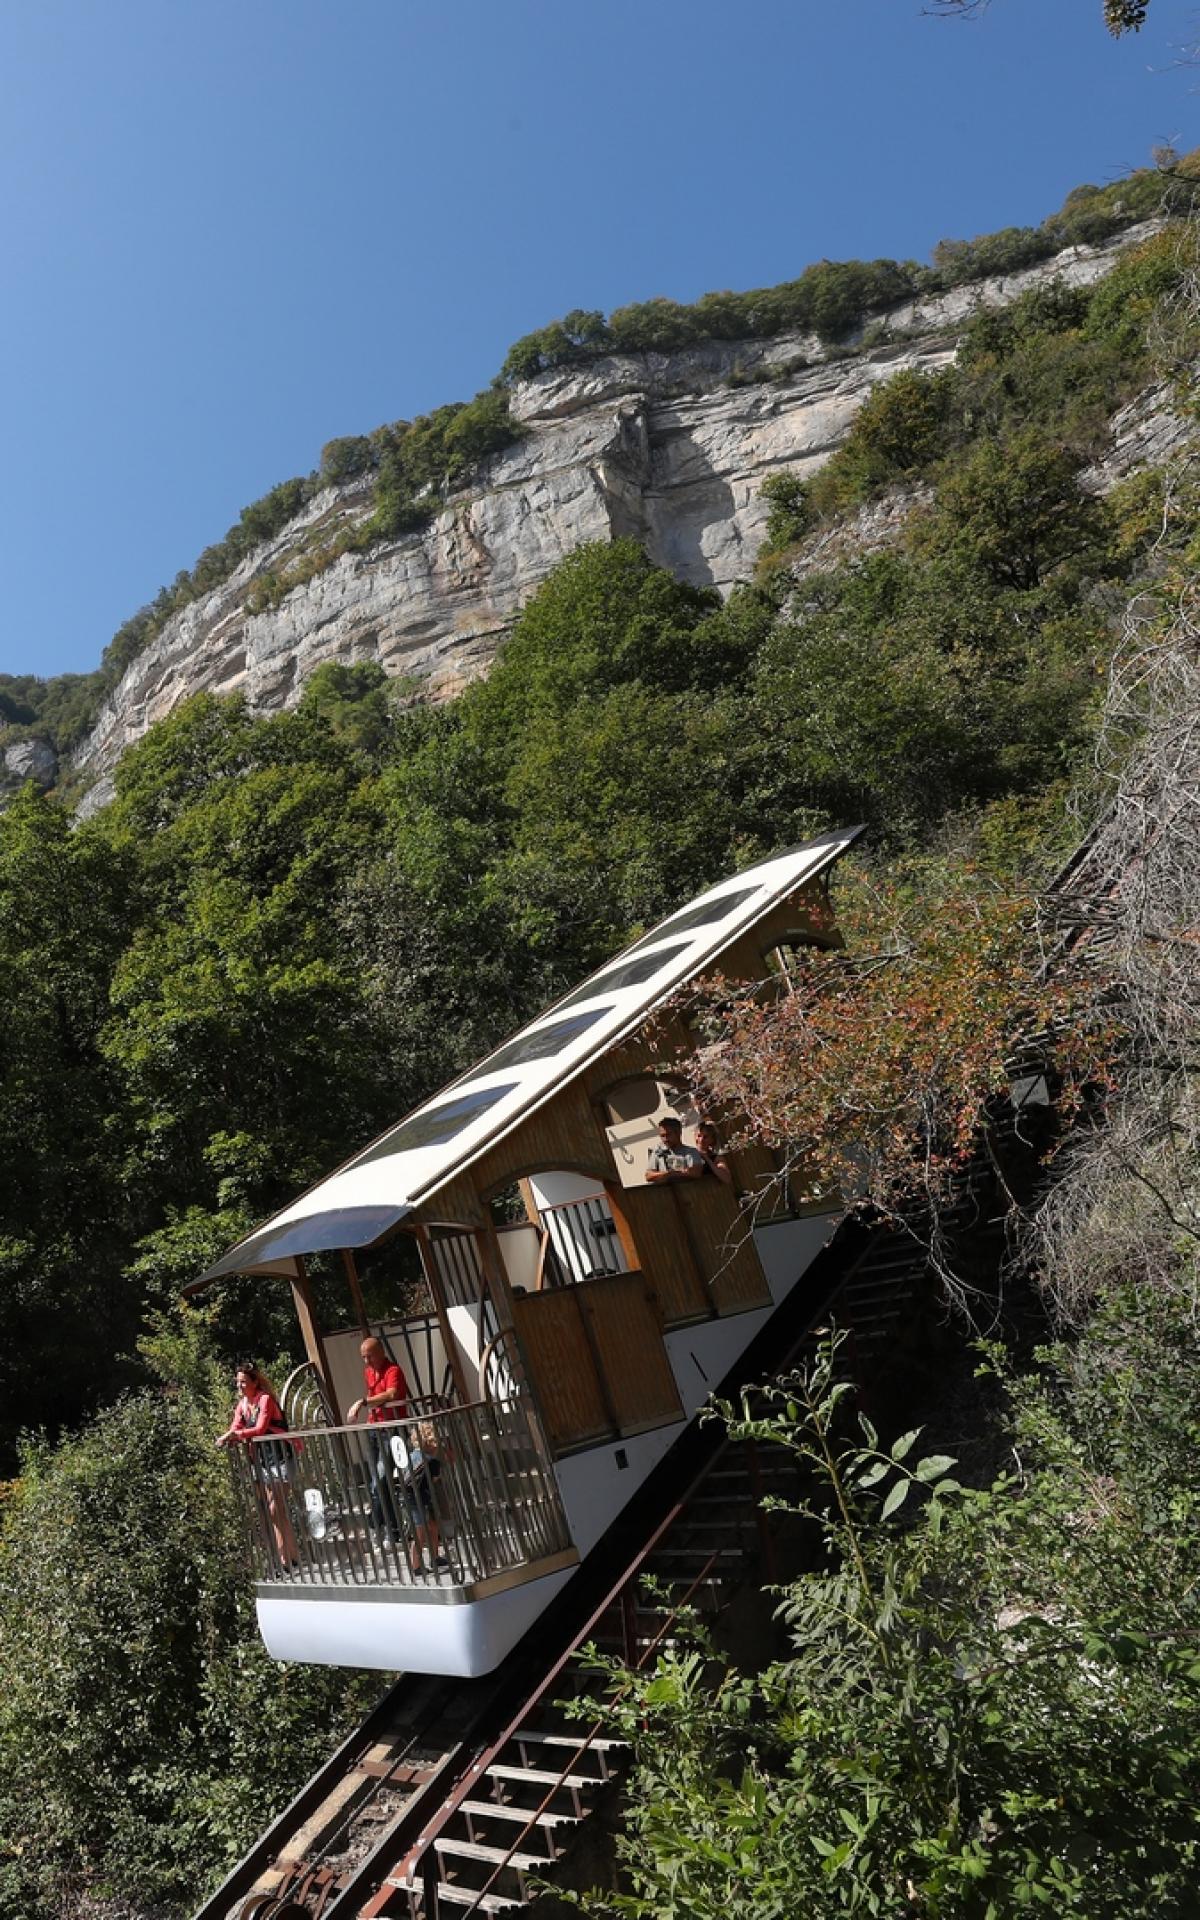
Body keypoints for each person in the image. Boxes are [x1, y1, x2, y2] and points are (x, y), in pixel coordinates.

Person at [216, 1361, 300, 1569]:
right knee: (276, 1511)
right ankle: (292, 1555)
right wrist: (230, 1436)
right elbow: (235, 1426)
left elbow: (261, 1428)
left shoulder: (265, 1399)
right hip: (262, 1461)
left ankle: (284, 1558)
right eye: (238, 1383)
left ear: (254, 1381)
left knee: (275, 1507)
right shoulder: (243, 1405)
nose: (240, 1386)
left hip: (280, 1457)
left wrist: (236, 1435)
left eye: (243, 1382)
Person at [347, 1336, 408, 1548]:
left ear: (380, 1352)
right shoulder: (369, 1372)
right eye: (363, 1357)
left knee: (381, 1480)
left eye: (369, 1356)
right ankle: (393, 1533)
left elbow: (390, 1394)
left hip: (392, 1430)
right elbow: (374, 1394)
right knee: (379, 1485)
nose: (367, 1361)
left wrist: (362, 1402)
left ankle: (375, 1527)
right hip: (375, 1429)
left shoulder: (393, 1370)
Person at [645, 1115, 706, 1184]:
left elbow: (696, 1172)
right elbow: (648, 1175)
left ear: (678, 1133)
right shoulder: (657, 1153)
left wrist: (672, 1174)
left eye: (668, 1135)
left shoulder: (691, 1152)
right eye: (662, 1136)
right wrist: (667, 1174)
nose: (665, 1139)